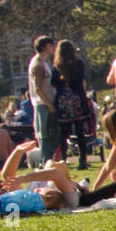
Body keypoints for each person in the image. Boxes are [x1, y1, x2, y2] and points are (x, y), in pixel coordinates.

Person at [51, 40, 93, 171]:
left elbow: (53, 83)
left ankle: (63, 159)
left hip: (63, 100)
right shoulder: (78, 64)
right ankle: (83, 160)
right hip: (77, 99)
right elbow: (80, 80)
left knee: (63, 133)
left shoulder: (56, 66)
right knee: (80, 132)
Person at [26, 36, 60, 164]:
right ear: (44, 47)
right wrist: (49, 105)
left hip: (49, 103)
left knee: (54, 134)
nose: (53, 48)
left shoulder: (45, 63)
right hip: (43, 104)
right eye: (51, 45)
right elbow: (38, 88)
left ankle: (48, 160)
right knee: (45, 134)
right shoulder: (37, 64)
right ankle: (44, 162)